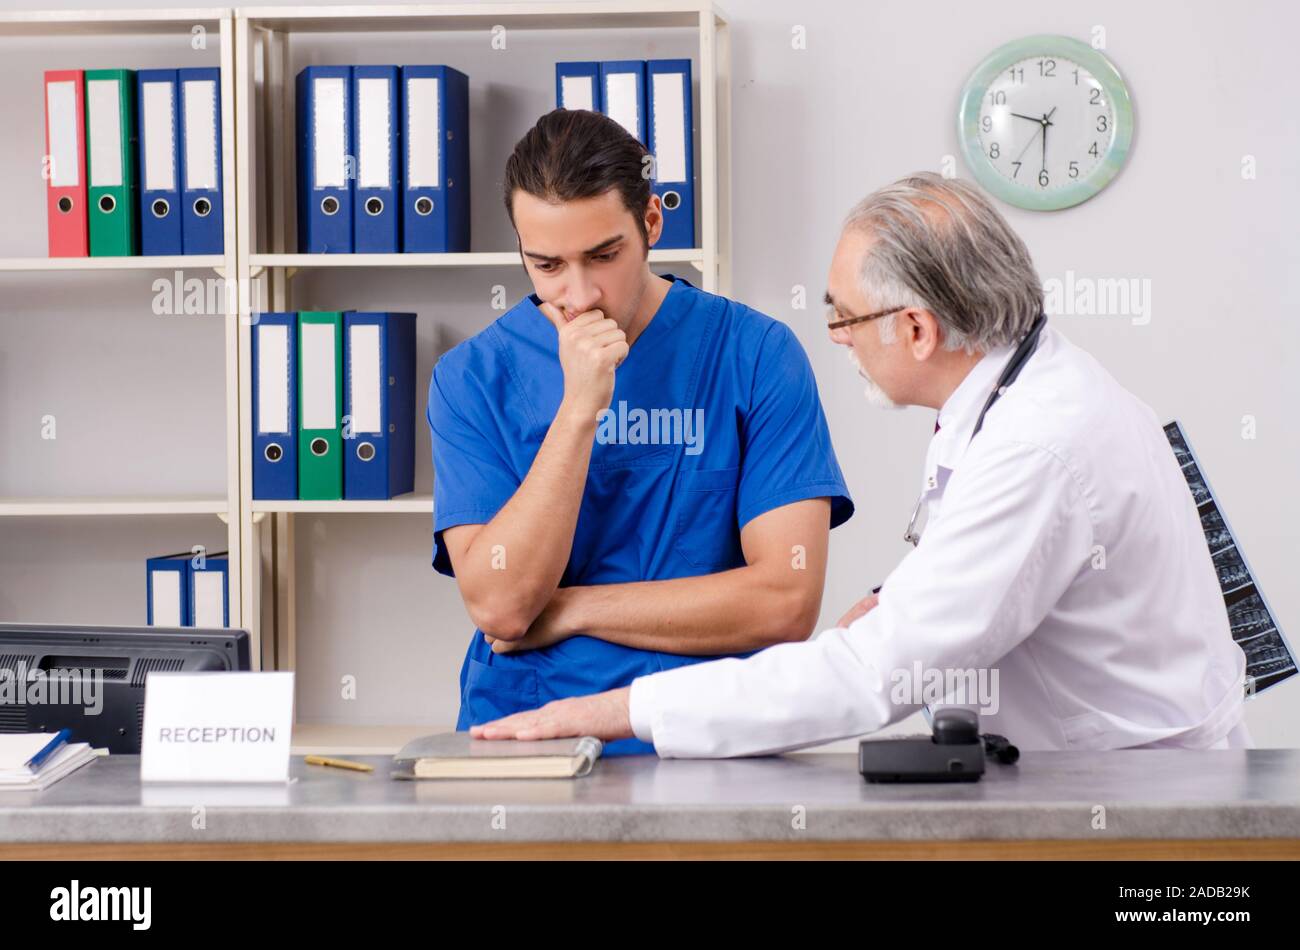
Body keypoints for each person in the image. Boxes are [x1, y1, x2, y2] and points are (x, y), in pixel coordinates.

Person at [470, 172, 1254, 756]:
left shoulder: (1039, 441)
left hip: (1132, 799)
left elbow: (873, 677)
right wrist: (900, 601)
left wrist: (608, 709)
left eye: (845, 315)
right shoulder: (1032, 394)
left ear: (916, 329)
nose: (837, 337)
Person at [427, 109, 854, 755]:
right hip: (529, 732)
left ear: (651, 222)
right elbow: (503, 609)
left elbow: (785, 602)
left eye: (603, 256)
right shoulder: (472, 378)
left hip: (709, 731)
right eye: (546, 265)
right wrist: (578, 411)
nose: (579, 295)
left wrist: (573, 609)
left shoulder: (756, 353)